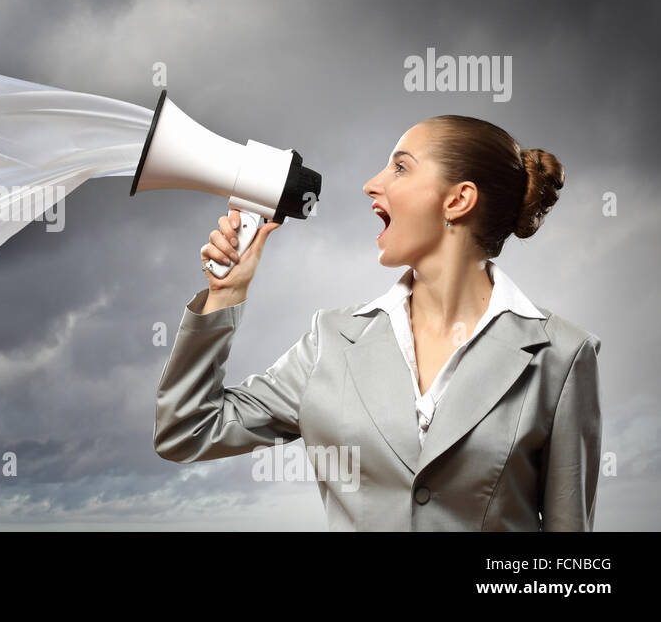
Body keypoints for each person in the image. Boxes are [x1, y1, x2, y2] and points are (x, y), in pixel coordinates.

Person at [153, 115, 602, 531]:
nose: (371, 185)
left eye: (400, 168)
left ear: (458, 199)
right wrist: (225, 295)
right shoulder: (330, 342)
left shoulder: (561, 356)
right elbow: (188, 430)